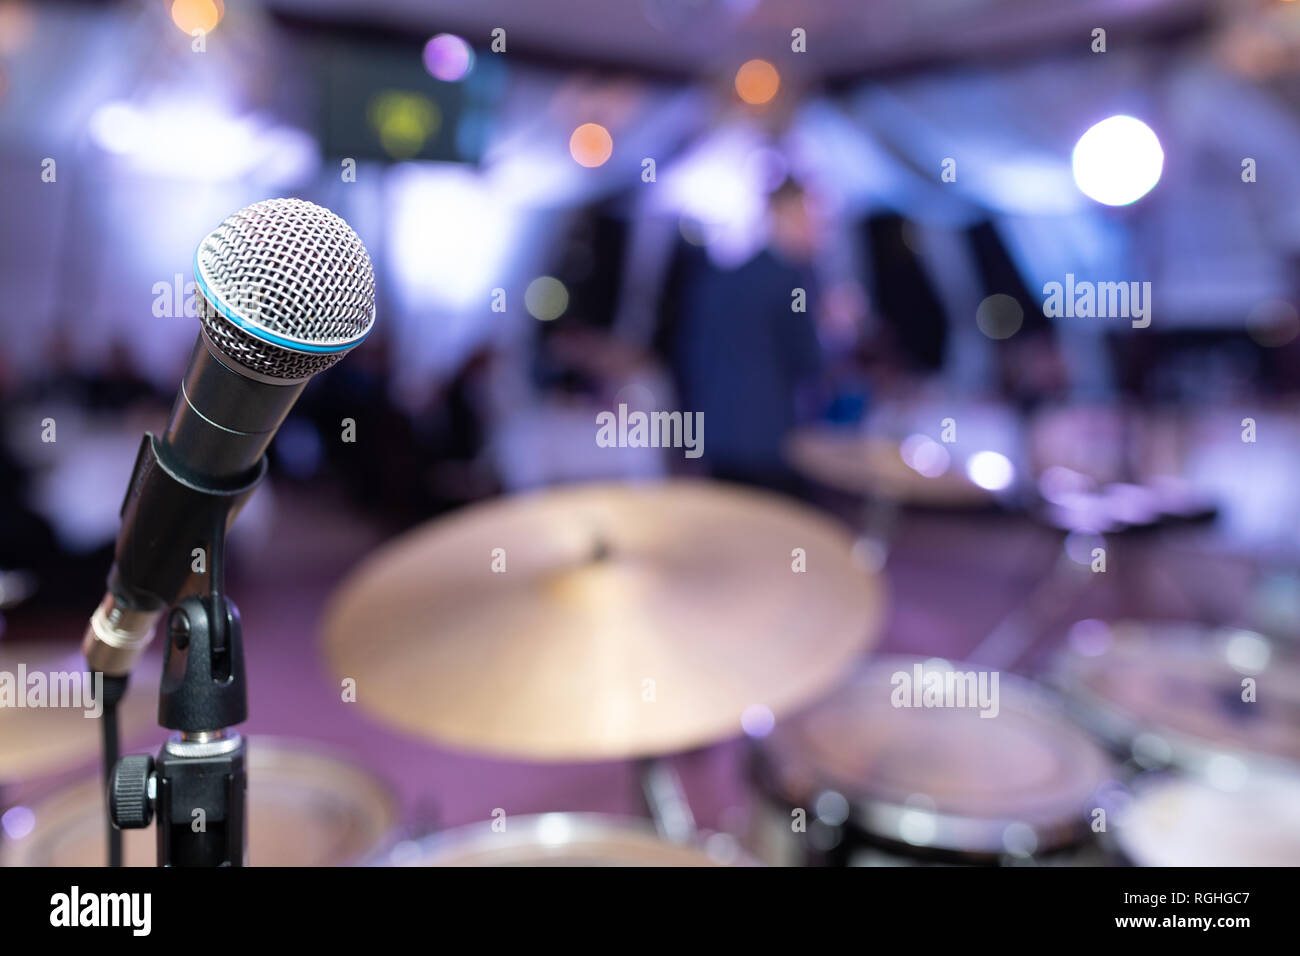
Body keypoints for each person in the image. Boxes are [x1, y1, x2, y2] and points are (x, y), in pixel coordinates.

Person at [665, 177, 824, 494]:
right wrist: (836, 330)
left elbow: (692, 355)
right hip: (770, 440)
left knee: (731, 531)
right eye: (810, 218)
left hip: (716, 434)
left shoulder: (720, 278)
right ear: (785, 215)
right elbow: (807, 361)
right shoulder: (792, 279)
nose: (816, 231)